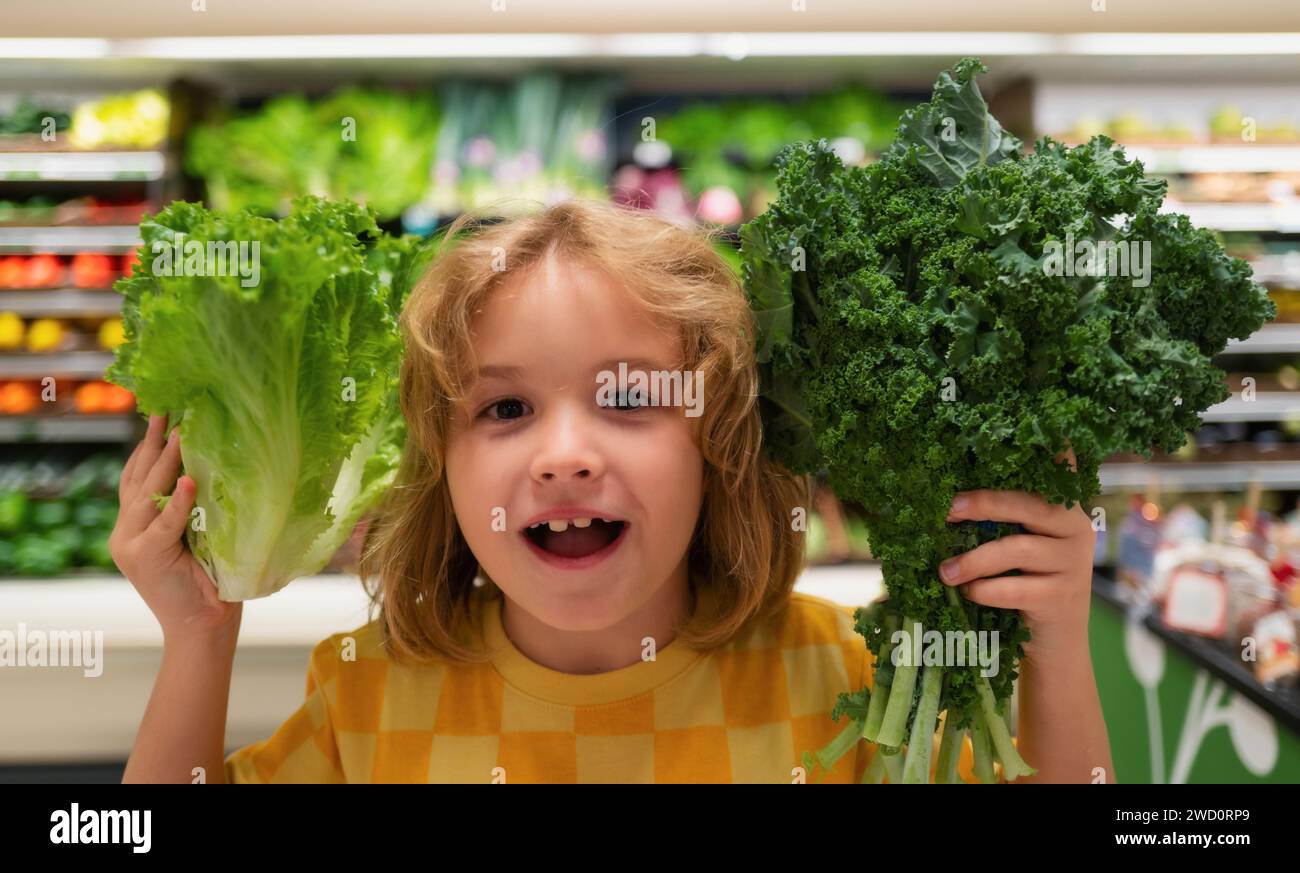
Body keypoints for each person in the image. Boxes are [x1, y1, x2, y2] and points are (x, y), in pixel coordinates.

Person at [113, 197, 1112, 783]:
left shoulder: (848, 680)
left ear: (718, 443)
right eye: (503, 411)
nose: (563, 456)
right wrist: (201, 640)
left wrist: (1058, 640)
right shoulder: (367, 696)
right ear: (440, 469)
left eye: (629, 398)